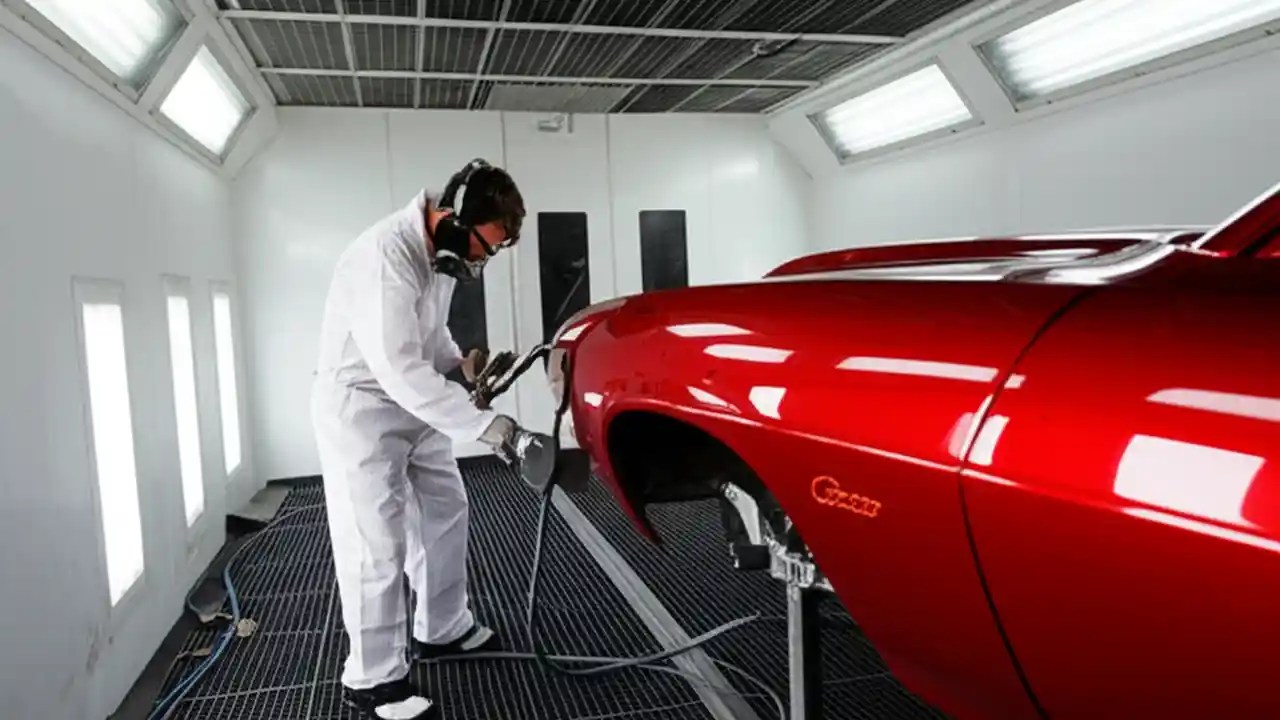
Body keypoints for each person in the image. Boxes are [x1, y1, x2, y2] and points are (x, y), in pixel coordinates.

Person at [312, 159, 531, 720]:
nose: (481, 261)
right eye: (484, 247)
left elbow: (427, 336)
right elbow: (398, 365)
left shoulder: (440, 253)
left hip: (416, 400)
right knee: (375, 544)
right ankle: (373, 680)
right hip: (363, 409)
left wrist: (460, 363)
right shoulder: (386, 255)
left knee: (445, 506)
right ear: (456, 219)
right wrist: (488, 426)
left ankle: (442, 626)